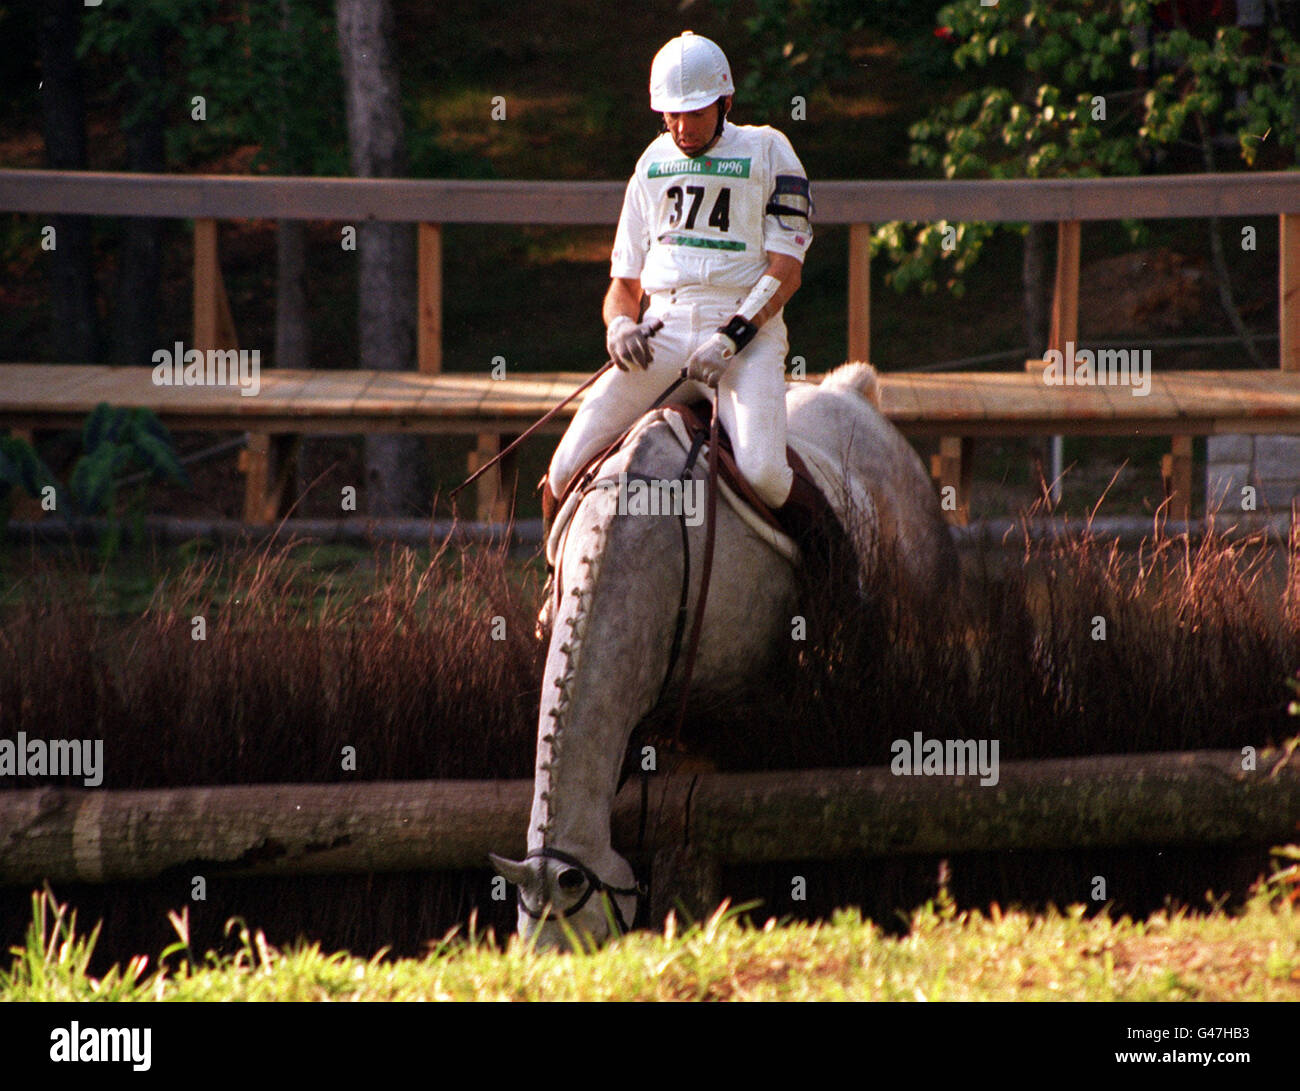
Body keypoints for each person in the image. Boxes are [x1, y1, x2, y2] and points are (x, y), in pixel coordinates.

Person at [542, 31, 836, 549]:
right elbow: (623, 285)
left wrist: (732, 337)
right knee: (564, 467)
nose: (682, 127)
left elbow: (787, 269)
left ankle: (839, 570)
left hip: (745, 334)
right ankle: (560, 595)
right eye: (670, 115)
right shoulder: (651, 165)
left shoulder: (769, 150)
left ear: (726, 102)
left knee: (765, 472)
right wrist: (620, 326)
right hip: (663, 332)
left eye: (695, 112)